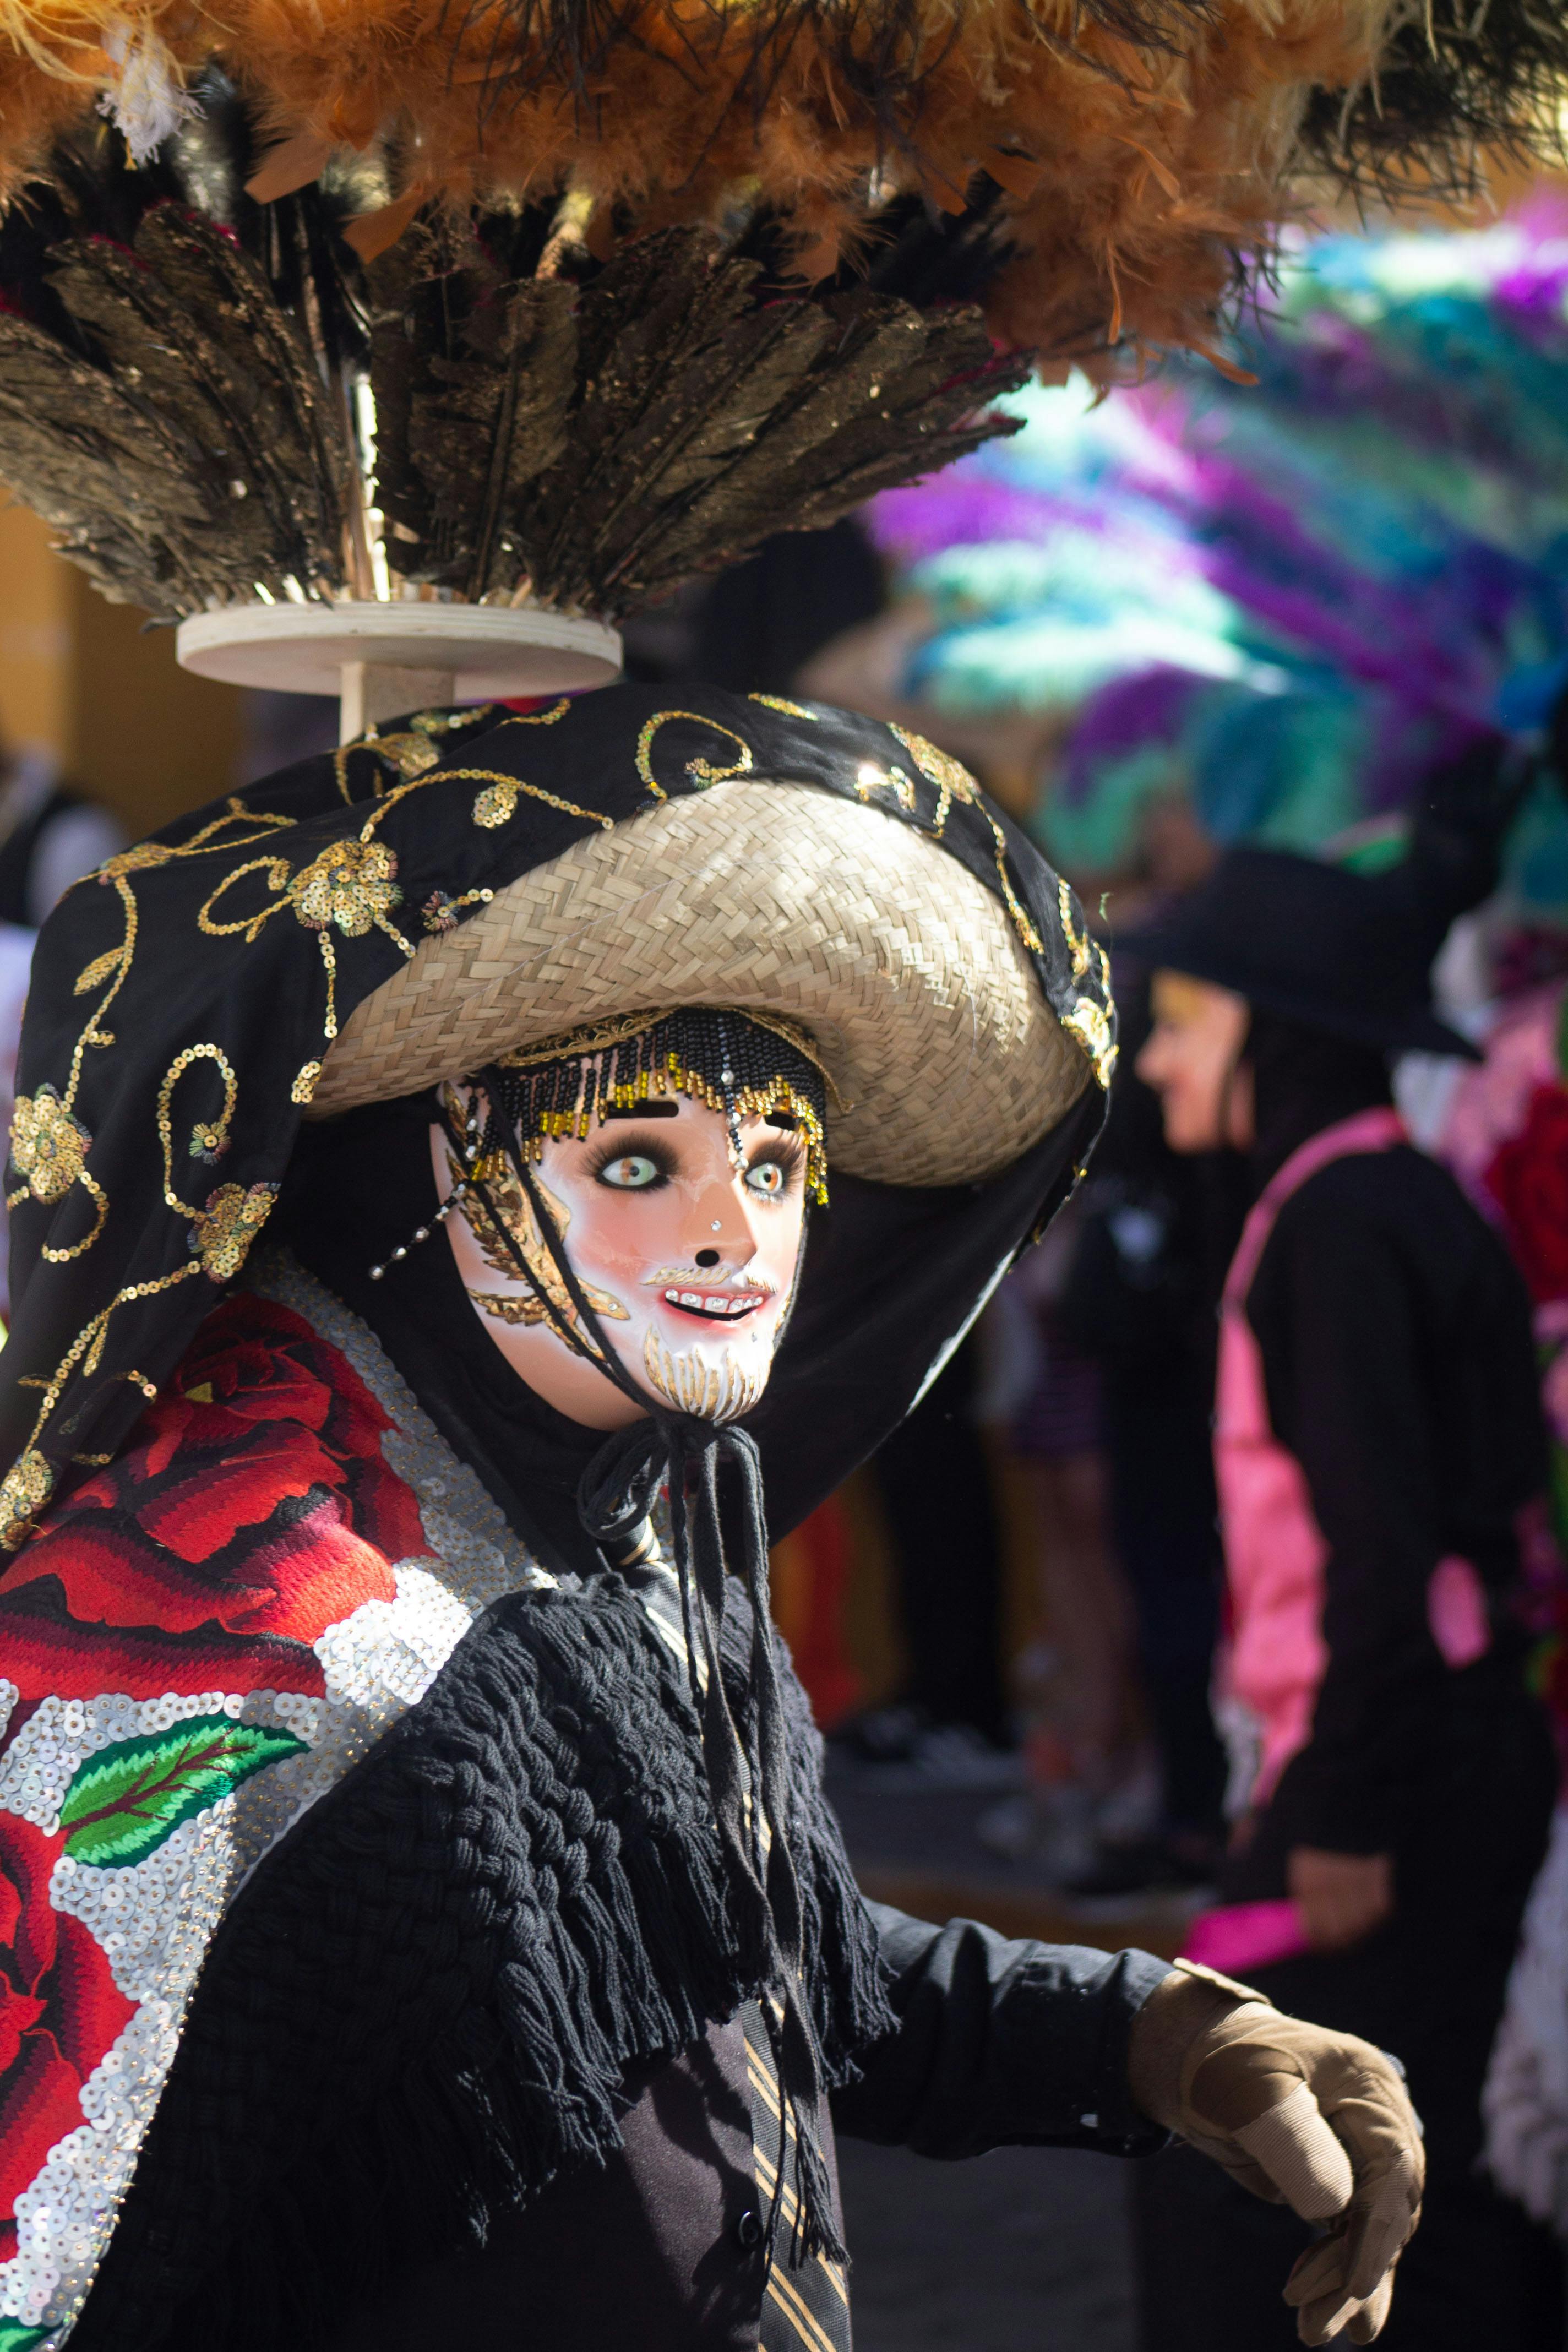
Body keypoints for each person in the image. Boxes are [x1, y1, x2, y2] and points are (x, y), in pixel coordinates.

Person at [0, 689, 1423, 2351]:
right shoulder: (224, 1660)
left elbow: (743, 1963)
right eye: (633, 1162)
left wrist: (1152, 2038)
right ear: (427, 1177)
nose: (736, 1234)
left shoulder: (637, 1546)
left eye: (774, 1163)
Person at [1128, 842, 1558, 2350]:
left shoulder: (1343, 1219)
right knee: (1392, 2182)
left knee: (1228, 2142)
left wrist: (1344, 1809)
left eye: (1188, 1014)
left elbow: (1388, 1545)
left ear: (1275, 1031)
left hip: (1396, 1773)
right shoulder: (1378, 1198)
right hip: (1431, 1749)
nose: (1158, 1051)